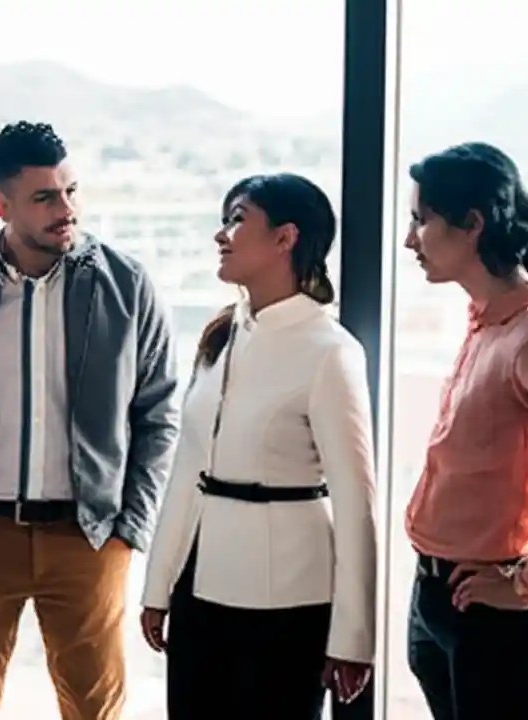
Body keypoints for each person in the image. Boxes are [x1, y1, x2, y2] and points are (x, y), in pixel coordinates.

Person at [0, 120, 180, 720]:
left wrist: (132, 526)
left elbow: (157, 413)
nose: (65, 209)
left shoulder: (125, 285)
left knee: (95, 708)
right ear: (2, 205)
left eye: (71, 191)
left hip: (89, 535)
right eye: (44, 197)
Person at [138, 173, 377, 718]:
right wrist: (159, 586)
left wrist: (353, 639)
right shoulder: (222, 335)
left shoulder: (330, 350)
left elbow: (356, 501)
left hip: (289, 600)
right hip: (200, 592)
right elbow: (188, 469)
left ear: (285, 238)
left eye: (238, 219)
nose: (221, 235)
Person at [402, 142, 528, 720]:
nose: (410, 239)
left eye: (421, 220)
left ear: (472, 225)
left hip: (500, 615)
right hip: (439, 595)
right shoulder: (486, 325)